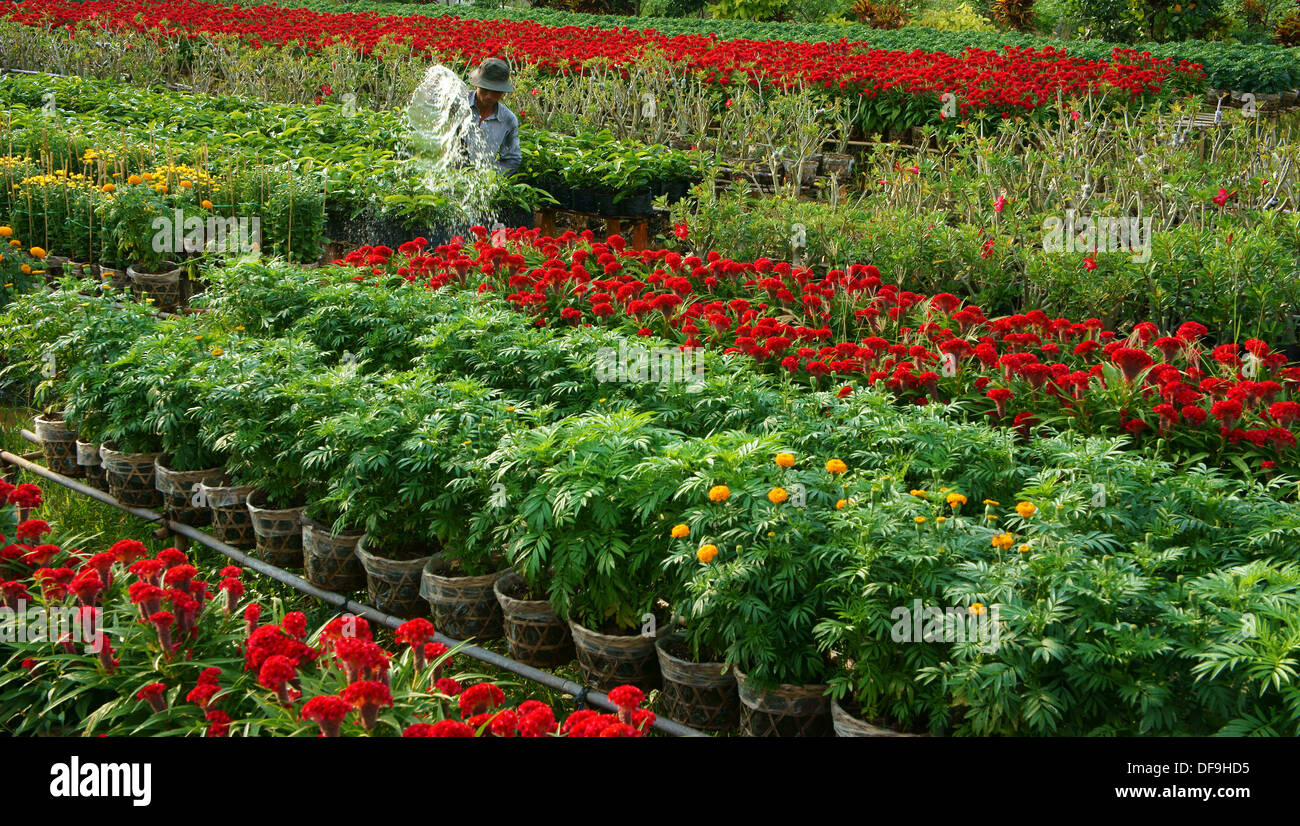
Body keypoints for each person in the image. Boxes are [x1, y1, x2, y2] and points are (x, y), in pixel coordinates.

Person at [463, 58, 522, 177]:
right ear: (476, 86)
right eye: (485, 89)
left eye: (495, 91)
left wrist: (488, 175)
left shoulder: (508, 119)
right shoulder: (459, 105)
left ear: (502, 93)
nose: (489, 96)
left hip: (481, 183)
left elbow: (512, 159)